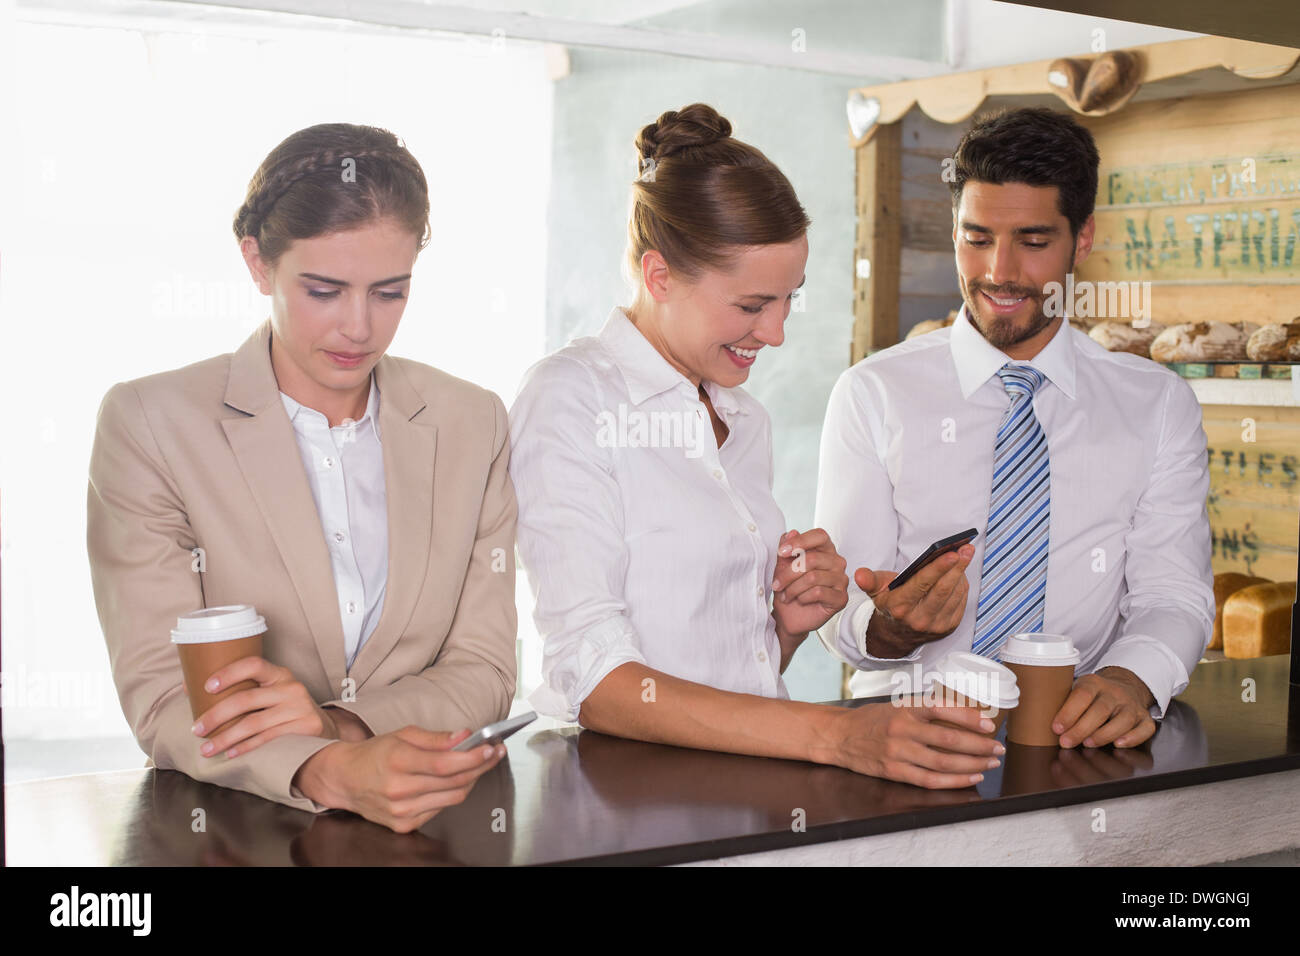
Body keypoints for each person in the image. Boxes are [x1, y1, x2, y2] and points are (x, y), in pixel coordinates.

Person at [509, 103, 1004, 790]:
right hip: (624, 808)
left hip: (746, 796)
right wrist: (838, 736)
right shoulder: (570, 397)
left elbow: (734, 673)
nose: (774, 334)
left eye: (787, 301)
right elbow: (595, 679)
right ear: (658, 277)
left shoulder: (741, 415)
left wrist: (788, 625)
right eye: (750, 306)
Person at [87, 123, 517, 833]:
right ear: (257, 264)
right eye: (323, 290)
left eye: (390, 292)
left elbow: (485, 669)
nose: (359, 328)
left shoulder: (473, 421)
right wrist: (328, 769)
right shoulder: (150, 422)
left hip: (437, 827)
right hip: (235, 833)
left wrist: (339, 726)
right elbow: (164, 699)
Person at [816, 107, 1215, 750]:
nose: (999, 271)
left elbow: (1174, 594)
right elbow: (842, 614)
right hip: (904, 734)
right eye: (976, 239)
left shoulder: (1157, 404)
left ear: (1081, 239)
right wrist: (892, 628)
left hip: (1073, 741)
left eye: (1032, 242)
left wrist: (1129, 678)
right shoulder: (873, 393)